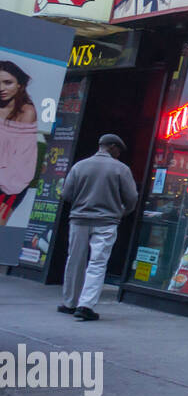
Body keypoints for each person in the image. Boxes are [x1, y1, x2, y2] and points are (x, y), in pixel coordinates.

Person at [57, 133, 139, 321]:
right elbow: (132, 197)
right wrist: (122, 211)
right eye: (118, 150)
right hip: (107, 221)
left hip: (79, 219)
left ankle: (70, 302)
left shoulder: (80, 166)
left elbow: (67, 193)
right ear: (112, 147)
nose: (119, 153)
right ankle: (86, 305)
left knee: (74, 260)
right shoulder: (121, 169)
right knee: (97, 263)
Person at [0, 60, 39, 226]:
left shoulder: (26, 112)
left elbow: (23, 160)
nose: (1, 88)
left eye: (8, 82)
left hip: (9, 184)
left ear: (19, 85)